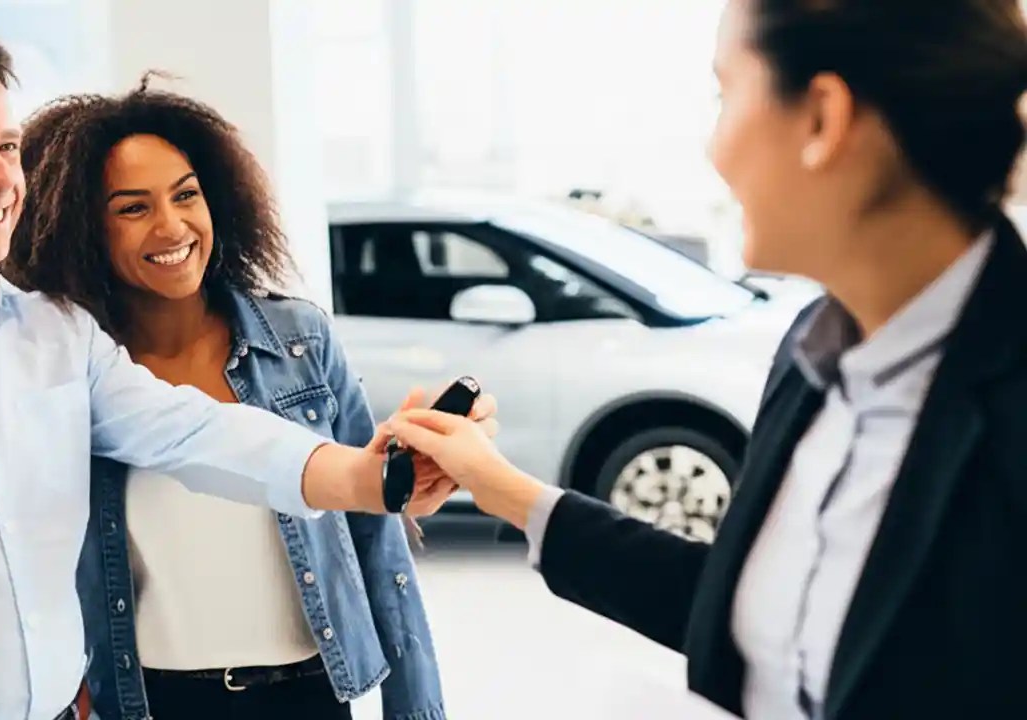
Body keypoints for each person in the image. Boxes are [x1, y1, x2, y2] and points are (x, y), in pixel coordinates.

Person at [0, 25, 491, 720]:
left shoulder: (56, 335)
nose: (0, 177)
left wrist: (366, 478)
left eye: (6, 146)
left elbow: (198, 433)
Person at [385, 0, 1027, 718]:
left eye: (726, 93)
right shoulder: (813, 349)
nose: (712, 148)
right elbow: (745, 607)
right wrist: (503, 489)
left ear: (822, 118)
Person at [0, 81, 446, 720]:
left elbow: (376, 542)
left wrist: (417, 708)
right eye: (132, 208)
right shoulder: (74, 374)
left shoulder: (299, 340)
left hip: (310, 695)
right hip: (154, 702)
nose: (171, 225)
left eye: (186, 195)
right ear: (81, 229)